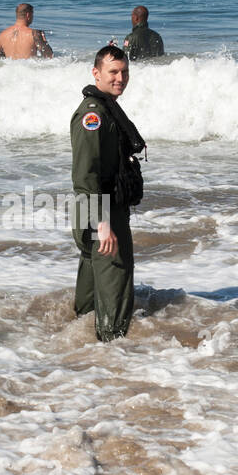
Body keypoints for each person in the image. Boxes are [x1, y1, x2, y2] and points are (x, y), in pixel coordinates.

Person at [71, 45, 145, 341]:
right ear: (96, 73)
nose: (120, 78)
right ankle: (113, 358)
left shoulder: (106, 107)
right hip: (99, 210)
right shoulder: (94, 115)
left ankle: (83, 356)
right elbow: (86, 176)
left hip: (91, 209)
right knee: (116, 288)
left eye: (124, 72)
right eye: (113, 72)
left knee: (91, 296)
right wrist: (103, 225)